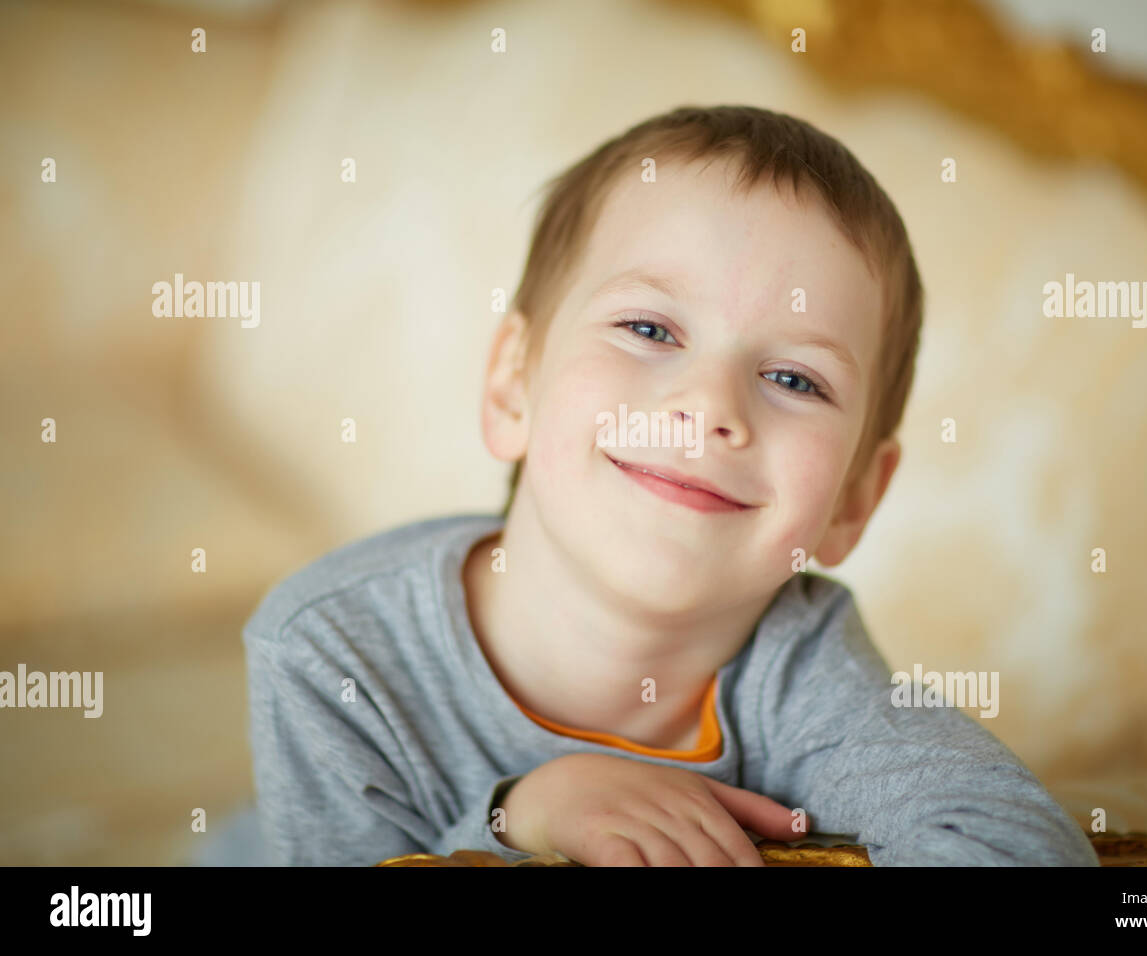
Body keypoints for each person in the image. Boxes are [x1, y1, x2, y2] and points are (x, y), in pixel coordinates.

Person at [242, 105, 1099, 866]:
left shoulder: (802, 669)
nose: (708, 407)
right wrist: (517, 813)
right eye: (649, 328)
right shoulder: (331, 651)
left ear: (851, 504)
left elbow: (1015, 843)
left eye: (796, 380)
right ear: (513, 386)